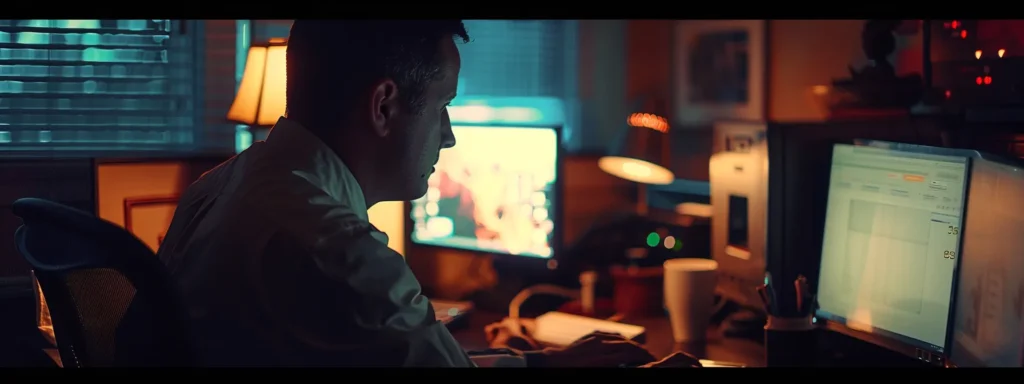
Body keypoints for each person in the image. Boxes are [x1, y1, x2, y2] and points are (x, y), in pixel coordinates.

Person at [157, 19, 691, 367]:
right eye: (442, 105)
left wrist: (544, 363)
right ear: (384, 106)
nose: (450, 133)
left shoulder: (216, 189)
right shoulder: (341, 255)